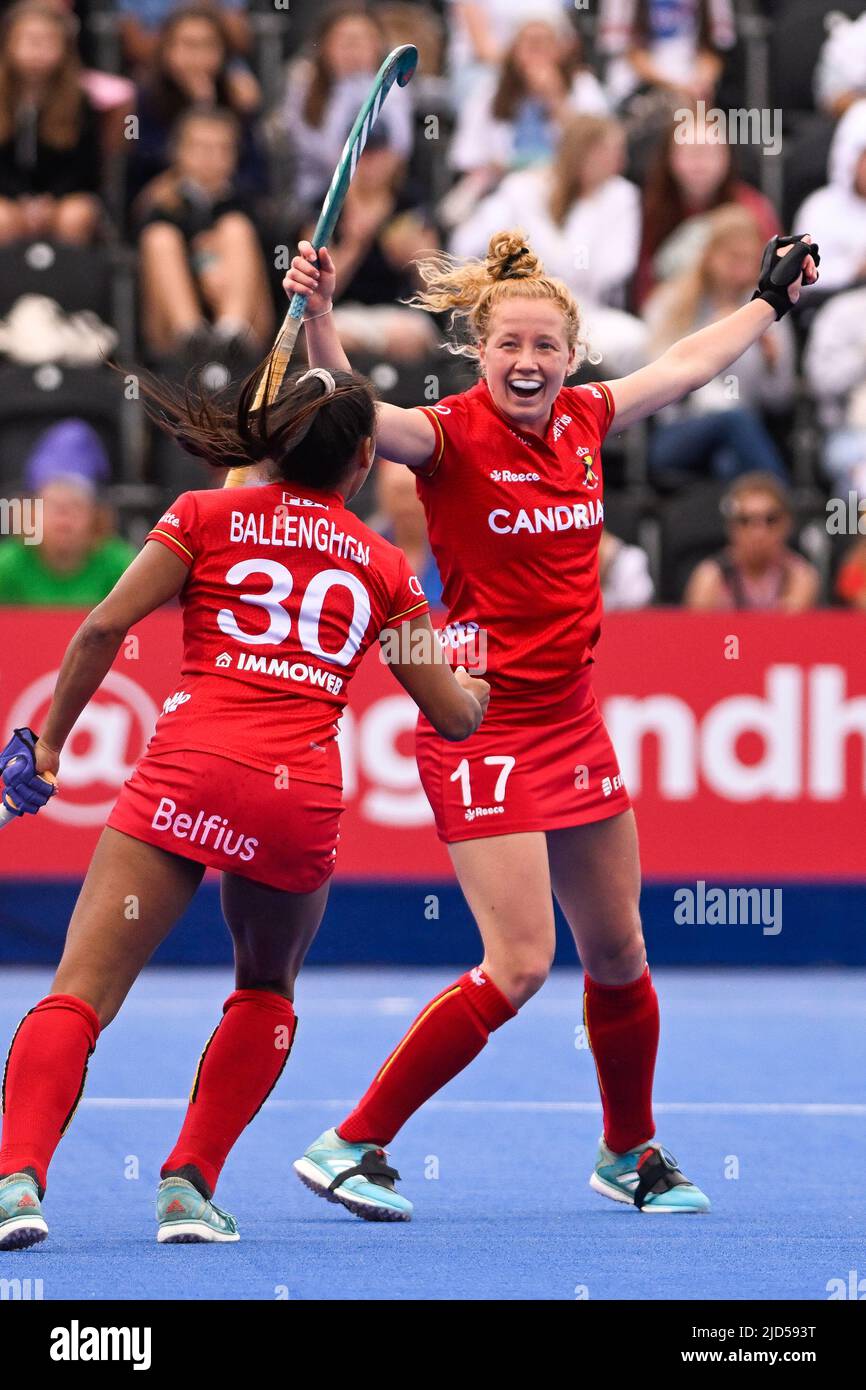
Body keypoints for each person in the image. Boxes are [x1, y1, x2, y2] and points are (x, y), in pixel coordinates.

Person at [275, 223, 818, 1221]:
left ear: (569, 358)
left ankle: (628, 1148)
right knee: (520, 961)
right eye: (508, 346)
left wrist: (768, 302)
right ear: (477, 354)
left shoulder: (584, 417)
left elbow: (690, 360)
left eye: (544, 348)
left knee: (619, 952)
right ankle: (351, 1140)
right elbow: (353, 413)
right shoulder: (442, 435)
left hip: (570, 720)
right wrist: (315, 316)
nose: (526, 363)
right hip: (477, 724)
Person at [0, 362, 489, 1249]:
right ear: (367, 461)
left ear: (271, 444)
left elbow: (102, 627)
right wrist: (478, 679)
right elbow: (454, 717)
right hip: (293, 798)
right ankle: (189, 1188)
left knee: (79, 992)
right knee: (265, 987)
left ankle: (17, 1184)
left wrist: (48, 741)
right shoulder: (385, 566)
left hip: (188, 767)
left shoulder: (201, 516)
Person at [451, 113, 646, 376]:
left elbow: (606, 270)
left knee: (634, 339)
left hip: (584, 312)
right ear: (579, 153)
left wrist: (587, 203)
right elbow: (465, 244)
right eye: (609, 152)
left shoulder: (621, 196)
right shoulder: (521, 189)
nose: (621, 162)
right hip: (516, 306)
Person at [642, 204, 795, 482]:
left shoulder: (766, 308)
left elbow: (780, 401)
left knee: (729, 461)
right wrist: (714, 332)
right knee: (733, 421)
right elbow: (652, 383)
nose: (740, 268)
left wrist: (773, 362)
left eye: (748, 259)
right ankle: (782, 506)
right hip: (679, 428)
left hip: (745, 432)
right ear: (709, 256)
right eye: (732, 257)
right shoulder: (671, 303)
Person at [135, 106, 275, 360]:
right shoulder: (161, 205)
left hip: (248, 322)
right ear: (178, 150)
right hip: (171, 327)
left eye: (222, 149)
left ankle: (231, 332)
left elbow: (272, 275)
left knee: (236, 229)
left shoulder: (250, 205)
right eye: (200, 147)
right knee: (160, 238)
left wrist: (216, 263)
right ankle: (190, 335)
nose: (211, 158)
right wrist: (201, 262)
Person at [444, 18, 608, 228]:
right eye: (529, 44)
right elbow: (467, 156)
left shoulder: (583, 87)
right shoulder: (490, 92)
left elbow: (597, 147)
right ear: (514, 51)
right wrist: (496, 166)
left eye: (544, 43)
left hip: (565, 189)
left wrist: (555, 99)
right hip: (503, 190)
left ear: (560, 50)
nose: (537, 52)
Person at [278, 4, 413, 222]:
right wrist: (344, 91)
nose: (353, 51)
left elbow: (400, 147)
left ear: (378, 45)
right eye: (344, 42)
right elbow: (316, 149)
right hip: (320, 192)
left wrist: (367, 189)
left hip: (380, 192)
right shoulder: (303, 81)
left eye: (361, 41)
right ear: (324, 47)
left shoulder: (395, 85)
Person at [635, 106, 779, 307]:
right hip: (673, 318)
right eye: (691, 152)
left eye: (709, 153)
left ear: (727, 157)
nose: (700, 163)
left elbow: (772, 278)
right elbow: (645, 286)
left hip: (740, 311)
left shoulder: (751, 209)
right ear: (669, 157)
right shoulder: (651, 208)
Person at [0, 1, 103, 246]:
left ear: (65, 48)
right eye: (29, 40)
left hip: (62, 198)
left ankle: (66, 283)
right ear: (8, 43)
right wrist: (18, 201)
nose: (38, 50)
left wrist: (51, 201)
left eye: (47, 41)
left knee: (75, 215)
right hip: (7, 198)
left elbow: (87, 167)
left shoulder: (80, 100)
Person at [0, 420, 135, 606]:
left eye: (76, 506)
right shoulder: (6, 566)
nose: (64, 518)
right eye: (53, 506)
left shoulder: (122, 566)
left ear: (95, 515)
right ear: (30, 513)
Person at [683, 472, 820, 611]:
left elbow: (791, 630)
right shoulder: (710, 577)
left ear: (787, 524)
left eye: (770, 520)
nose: (758, 532)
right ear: (731, 526)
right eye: (745, 520)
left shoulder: (799, 576)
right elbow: (697, 630)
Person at [793, 99, 866, 295]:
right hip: (832, 310)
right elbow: (803, 276)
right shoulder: (820, 209)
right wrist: (854, 269)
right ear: (849, 156)